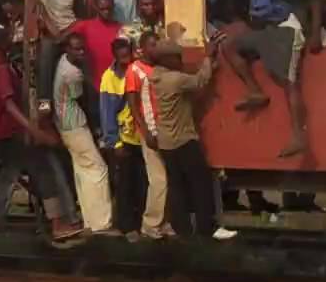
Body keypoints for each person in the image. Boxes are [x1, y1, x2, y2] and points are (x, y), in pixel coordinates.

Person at [226, 0, 326, 158]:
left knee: (289, 83)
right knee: (230, 46)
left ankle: (299, 137)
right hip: (267, 31)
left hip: (287, 30)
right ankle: (254, 91)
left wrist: (315, 34)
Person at [0, 25, 61, 231]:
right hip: (11, 129)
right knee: (40, 169)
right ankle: (57, 220)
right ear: (0, 43)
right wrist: (35, 131)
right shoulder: (2, 69)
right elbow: (10, 105)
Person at [148, 37, 236, 240]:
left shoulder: (157, 76)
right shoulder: (175, 80)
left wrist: (207, 64)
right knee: (201, 183)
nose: (180, 60)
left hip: (166, 141)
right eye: (177, 57)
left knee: (176, 186)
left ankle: (183, 229)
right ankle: (207, 227)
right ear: (167, 59)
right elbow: (199, 80)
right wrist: (208, 55)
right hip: (183, 138)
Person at [53, 32, 115, 235]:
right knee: (98, 169)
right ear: (67, 50)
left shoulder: (62, 62)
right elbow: (82, 100)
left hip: (64, 123)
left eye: (82, 49)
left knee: (82, 170)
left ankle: (90, 219)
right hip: (75, 124)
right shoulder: (73, 73)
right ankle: (101, 223)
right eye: (76, 49)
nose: (81, 53)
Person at [124, 32, 176, 239]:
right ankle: (150, 224)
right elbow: (133, 104)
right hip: (151, 131)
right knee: (159, 180)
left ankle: (164, 222)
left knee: (168, 179)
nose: (156, 49)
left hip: (165, 129)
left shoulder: (159, 69)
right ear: (142, 48)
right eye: (153, 45)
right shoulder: (134, 70)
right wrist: (145, 131)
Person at [100, 38, 146, 241]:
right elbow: (107, 112)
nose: (125, 55)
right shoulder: (109, 77)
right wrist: (114, 142)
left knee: (141, 182)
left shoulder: (137, 69)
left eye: (127, 50)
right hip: (123, 137)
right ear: (115, 54)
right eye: (121, 51)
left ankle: (140, 223)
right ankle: (127, 227)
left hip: (141, 136)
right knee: (125, 184)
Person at [35, 0, 84, 112]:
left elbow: (81, 20)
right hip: (51, 36)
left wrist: (65, 35)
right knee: (46, 47)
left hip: (70, 34)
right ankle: (44, 100)